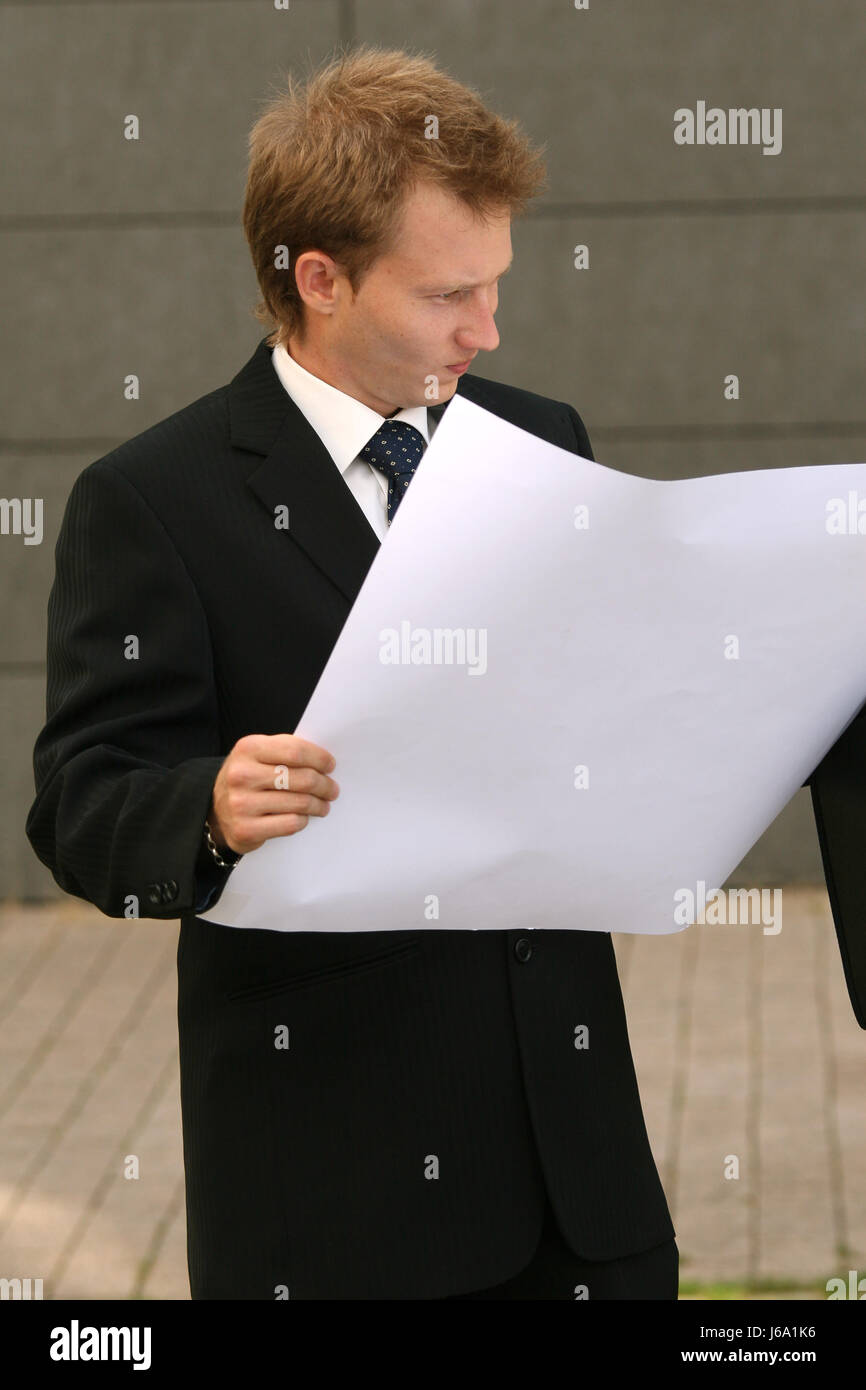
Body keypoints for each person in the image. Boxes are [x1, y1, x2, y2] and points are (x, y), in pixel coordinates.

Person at [29, 42, 862, 1302]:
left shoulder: (539, 438)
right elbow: (82, 802)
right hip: (337, 1204)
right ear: (317, 279)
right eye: (444, 296)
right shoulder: (150, 501)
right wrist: (203, 807)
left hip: (583, 1180)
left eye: (495, 284)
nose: (487, 328)